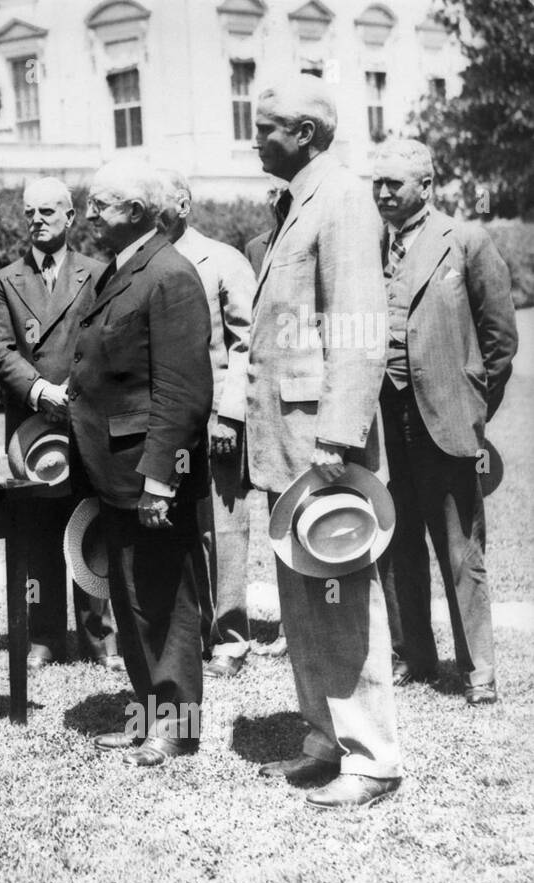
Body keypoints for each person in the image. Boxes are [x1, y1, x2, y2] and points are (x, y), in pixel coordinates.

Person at [221, 75, 402, 808]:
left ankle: (373, 757)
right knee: (302, 595)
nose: (255, 139)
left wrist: (336, 435)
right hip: (282, 439)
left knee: (341, 593)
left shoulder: (345, 199)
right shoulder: (296, 201)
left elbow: (358, 322)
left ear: (307, 134)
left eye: (267, 128)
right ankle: (325, 737)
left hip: (320, 441)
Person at [71, 160, 213, 768]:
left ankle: (177, 729)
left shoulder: (170, 275)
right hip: (113, 469)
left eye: (100, 205)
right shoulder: (122, 270)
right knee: (130, 601)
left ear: (135, 211)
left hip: (147, 473)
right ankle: (147, 717)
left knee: (164, 600)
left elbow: (183, 394)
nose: (89, 215)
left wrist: (162, 478)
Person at [370, 138, 518, 706]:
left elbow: (501, 342)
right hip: (385, 420)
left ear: (426, 187)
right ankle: (414, 656)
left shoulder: (467, 240)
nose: (383, 193)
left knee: (460, 548)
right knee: (396, 540)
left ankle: (479, 670)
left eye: (395, 184)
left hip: (447, 421)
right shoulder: (367, 246)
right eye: (376, 183)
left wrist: (473, 410)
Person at [0, 176, 119, 670]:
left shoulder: (101, 274)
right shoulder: (3, 281)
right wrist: (41, 391)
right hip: (31, 427)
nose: (37, 221)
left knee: (91, 525)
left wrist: (75, 394)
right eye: (29, 213)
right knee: (37, 529)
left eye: (47, 212)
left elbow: (109, 344)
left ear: (70, 217)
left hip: (85, 421)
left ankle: (98, 635)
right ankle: (42, 636)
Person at [157, 169, 257, 680]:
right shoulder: (142, 262)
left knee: (224, 529)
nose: (152, 207)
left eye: (161, 198)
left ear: (184, 203)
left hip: (217, 422)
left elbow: (246, 344)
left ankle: (231, 639)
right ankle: (187, 632)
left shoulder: (223, 260)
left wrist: (231, 415)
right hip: (167, 425)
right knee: (175, 526)